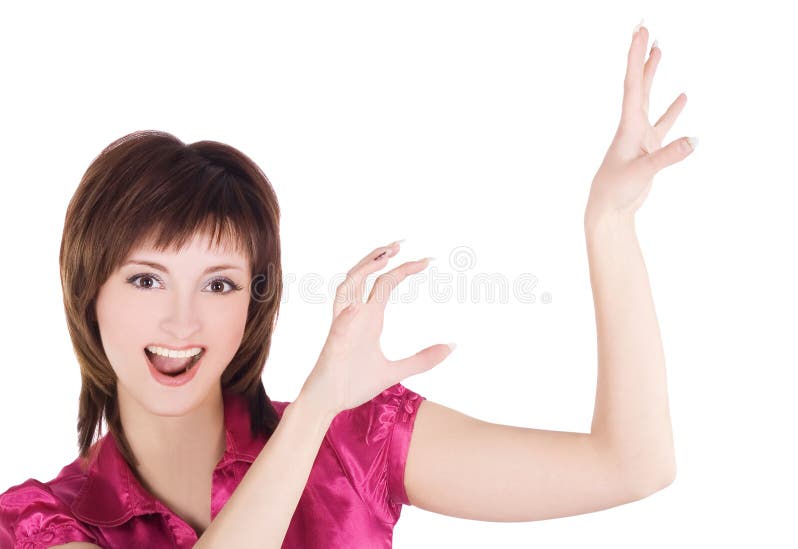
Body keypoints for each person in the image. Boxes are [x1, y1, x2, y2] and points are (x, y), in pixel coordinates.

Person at [0, 21, 693, 548]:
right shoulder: (37, 522)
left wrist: (610, 225)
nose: (182, 321)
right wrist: (315, 407)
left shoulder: (354, 436)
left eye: (219, 286)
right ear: (88, 291)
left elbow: (632, 465)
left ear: (254, 305)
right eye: (147, 279)